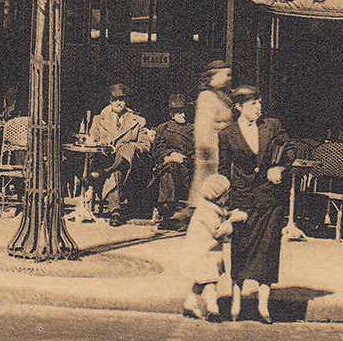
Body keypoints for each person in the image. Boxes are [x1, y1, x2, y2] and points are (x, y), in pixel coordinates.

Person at [219, 87, 291, 322]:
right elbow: (223, 172)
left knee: (268, 250)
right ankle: (236, 301)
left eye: (259, 103)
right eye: (252, 104)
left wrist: (278, 166)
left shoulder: (272, 126)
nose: (258, 108)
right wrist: (225, 204)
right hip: (242, 201)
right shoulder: (227, 134)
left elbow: (290, 149)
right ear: (238, 107)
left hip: (270, 199)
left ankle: (263, 306)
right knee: (240, 249)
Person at [180, 174, 244, 321]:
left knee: (201, 280)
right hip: (202, 251)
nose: (227, 198)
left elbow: (221, 215)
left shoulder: (210, 207)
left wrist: (229, 214)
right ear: (217, 196)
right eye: (225, 195)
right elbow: (217, 231)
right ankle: (212, 309)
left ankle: (189, 304)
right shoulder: (208, 211)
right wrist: (232, 221)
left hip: (206, 251)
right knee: (209, 280)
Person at [87, 83, 152, 222]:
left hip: (131, 167)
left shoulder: (137, 121)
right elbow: (91, 141)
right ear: (109, 102)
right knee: (115, 172)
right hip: (105, 160)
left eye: (121, 100)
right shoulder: (99, 120)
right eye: (114, 100)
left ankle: (107, 174)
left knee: (123, 152)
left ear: (126, 101)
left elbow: (145, 145)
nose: (118, 103)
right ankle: (115, 211)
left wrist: (129, 147)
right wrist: (101, 143)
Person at [189, 60, 235, 206]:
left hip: (224, 149)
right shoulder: (207, 97)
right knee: (208, 189)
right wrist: (209, 154)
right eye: (226, 75)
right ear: (213, 76)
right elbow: (203, 130)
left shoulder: (222, 96)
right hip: (212, 153)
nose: (229, 78)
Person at [149, 93, 194, 222]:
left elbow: (198, 151)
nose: (183, 115)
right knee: (168, 168)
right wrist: (169, 156)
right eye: (179, 112)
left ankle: (166, 205)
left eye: (184, 112)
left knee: (170, 168)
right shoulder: (163, 128)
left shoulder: (192, 129)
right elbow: (157, 150)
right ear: (172, 114)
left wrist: (184, 158)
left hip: (186, 167)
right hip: (166, 164)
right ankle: (166, 207)